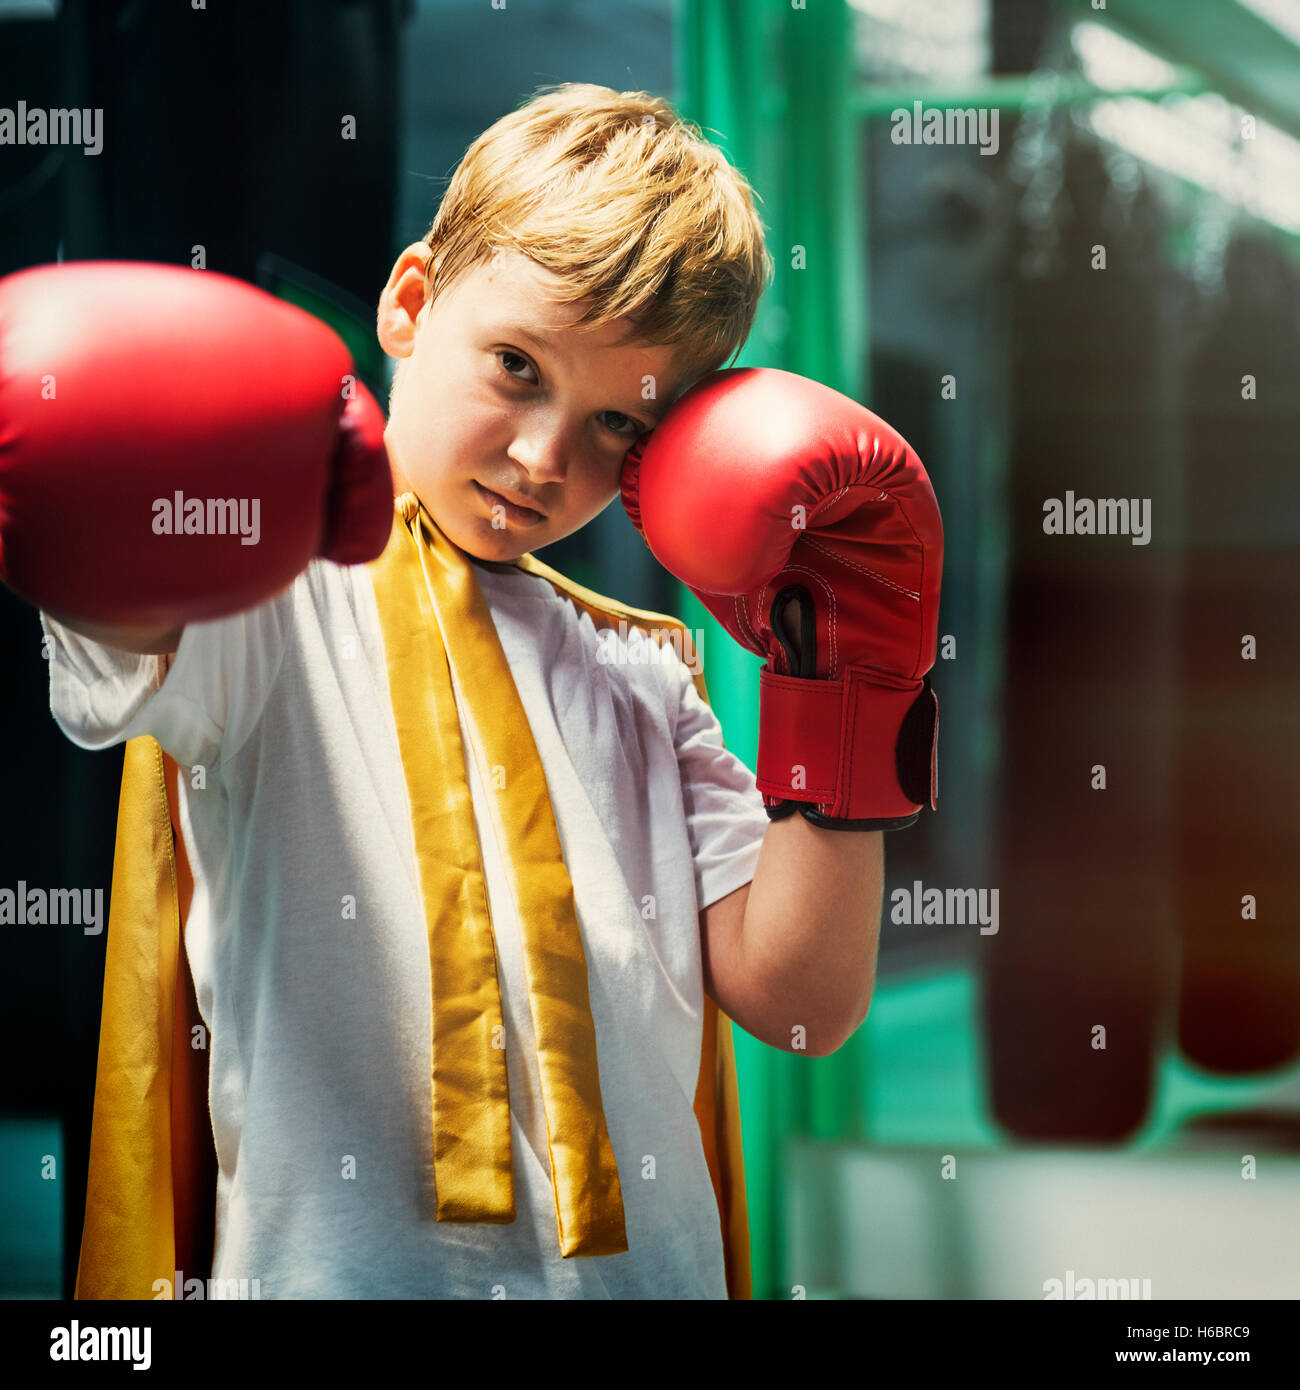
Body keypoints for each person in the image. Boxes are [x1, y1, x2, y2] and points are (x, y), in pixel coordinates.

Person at [3, 82, 940, 1300]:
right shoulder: (271, 606)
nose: (543, 458)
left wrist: (848, 681)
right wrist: (107, 478)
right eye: (515, 366)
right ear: (407, 303)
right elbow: (118, 619)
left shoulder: (645, 669)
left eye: (616, 423)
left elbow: (804, 1003)